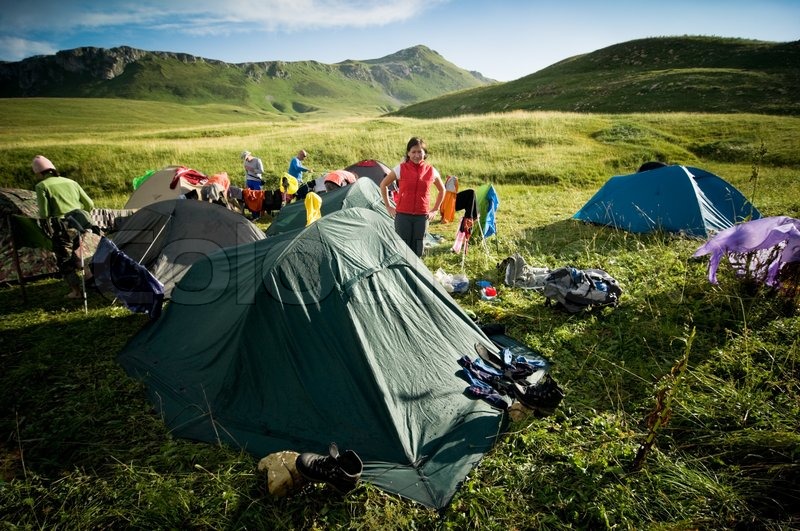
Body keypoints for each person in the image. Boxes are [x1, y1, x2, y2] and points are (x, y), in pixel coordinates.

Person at [32, 155, 94, 298]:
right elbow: (90, 204)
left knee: (64, 260)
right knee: (78, 254)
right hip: (79, 225)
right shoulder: (71, 182)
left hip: (62, 228)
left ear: (39, 173)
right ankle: (90, 279)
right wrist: (80, 216)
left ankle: (76, 291)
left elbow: (44, 214)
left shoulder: (42, 186)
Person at [379, 137, 445, 257]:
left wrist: (435, 209)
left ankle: (416, 268)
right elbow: (383, 185)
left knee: (418, 248)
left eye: (420, 152)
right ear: (408, 153)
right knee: (402, 248)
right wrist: (388, 206)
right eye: (413, 152)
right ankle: (402, 269)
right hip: (402, 216)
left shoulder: (431, 171)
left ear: (424, 154)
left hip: (422, 217)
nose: (416, 155)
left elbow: (442, 190)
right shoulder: (400, 169)